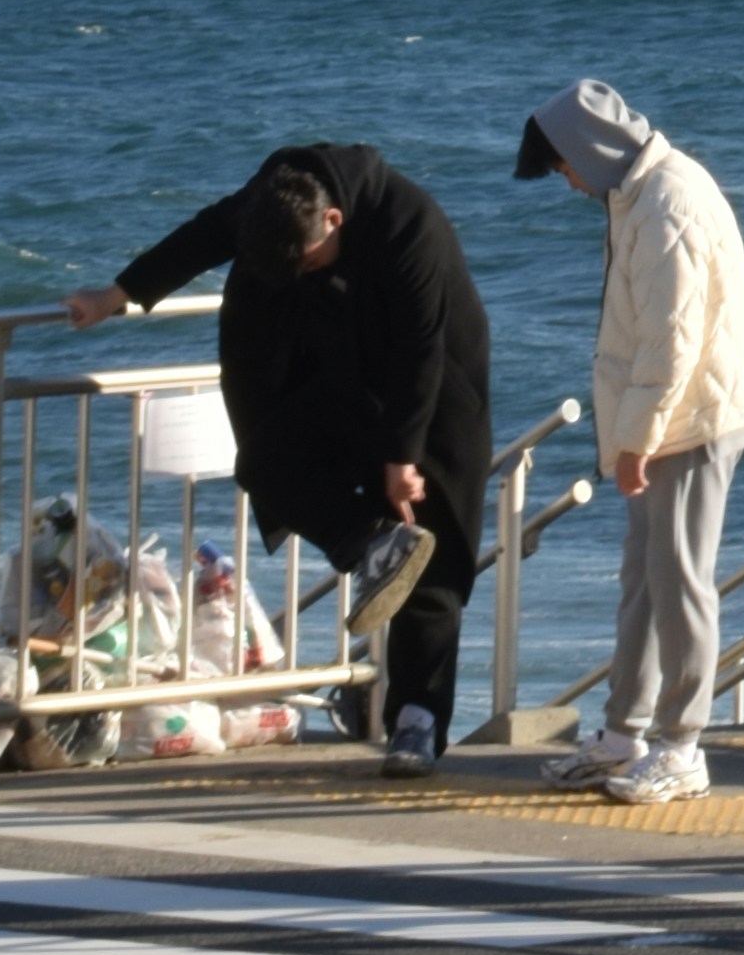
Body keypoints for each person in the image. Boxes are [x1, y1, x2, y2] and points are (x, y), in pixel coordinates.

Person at [70, 141, 490, 773]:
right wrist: (118, 294)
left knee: (431, 547)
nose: (299, 271)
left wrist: (402, 458)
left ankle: (417, 722)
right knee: (265, 462)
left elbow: (420, 348)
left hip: (434, 391)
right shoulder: (272, 198)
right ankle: (365, 541)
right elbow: (203, 236)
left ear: (334, 221)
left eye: (306, 258)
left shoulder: (409, 222)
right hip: (339, 376)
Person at [517, 78, 744, 807]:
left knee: (681, 581)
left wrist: (636, 442)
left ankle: (682, 745)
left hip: (691, 421)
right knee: (645, 581)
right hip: (666, 422)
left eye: (562, 165)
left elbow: (671, 343)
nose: (565, 181)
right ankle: (625, 733)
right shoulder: (637, 192)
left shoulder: (667, 203)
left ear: (587, 152)